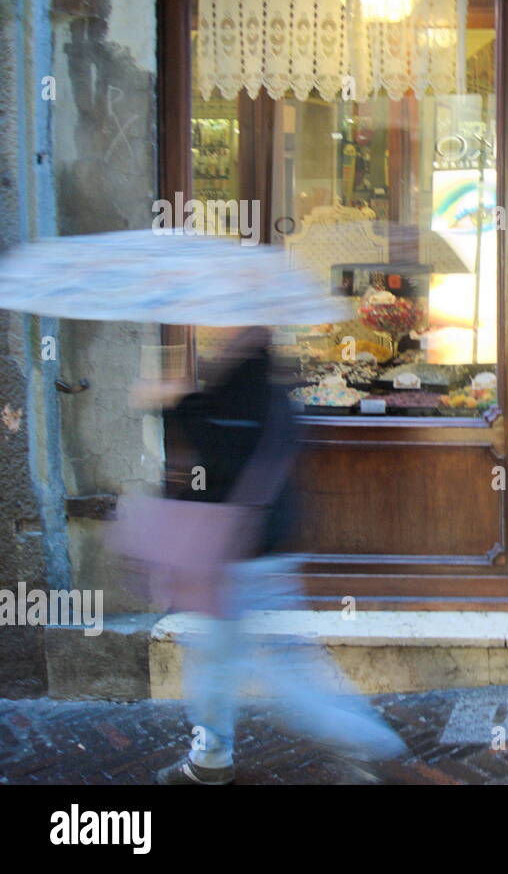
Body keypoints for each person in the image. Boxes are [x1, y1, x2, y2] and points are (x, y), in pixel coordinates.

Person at [136, 327, 407, 784]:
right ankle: (213, 757)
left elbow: (217, 455)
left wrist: (173, 403)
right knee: (246, 659)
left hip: (240, 555)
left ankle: (362, 740)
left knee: (270, 668)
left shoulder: (243, 384)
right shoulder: (270, 386)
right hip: (265, 546)